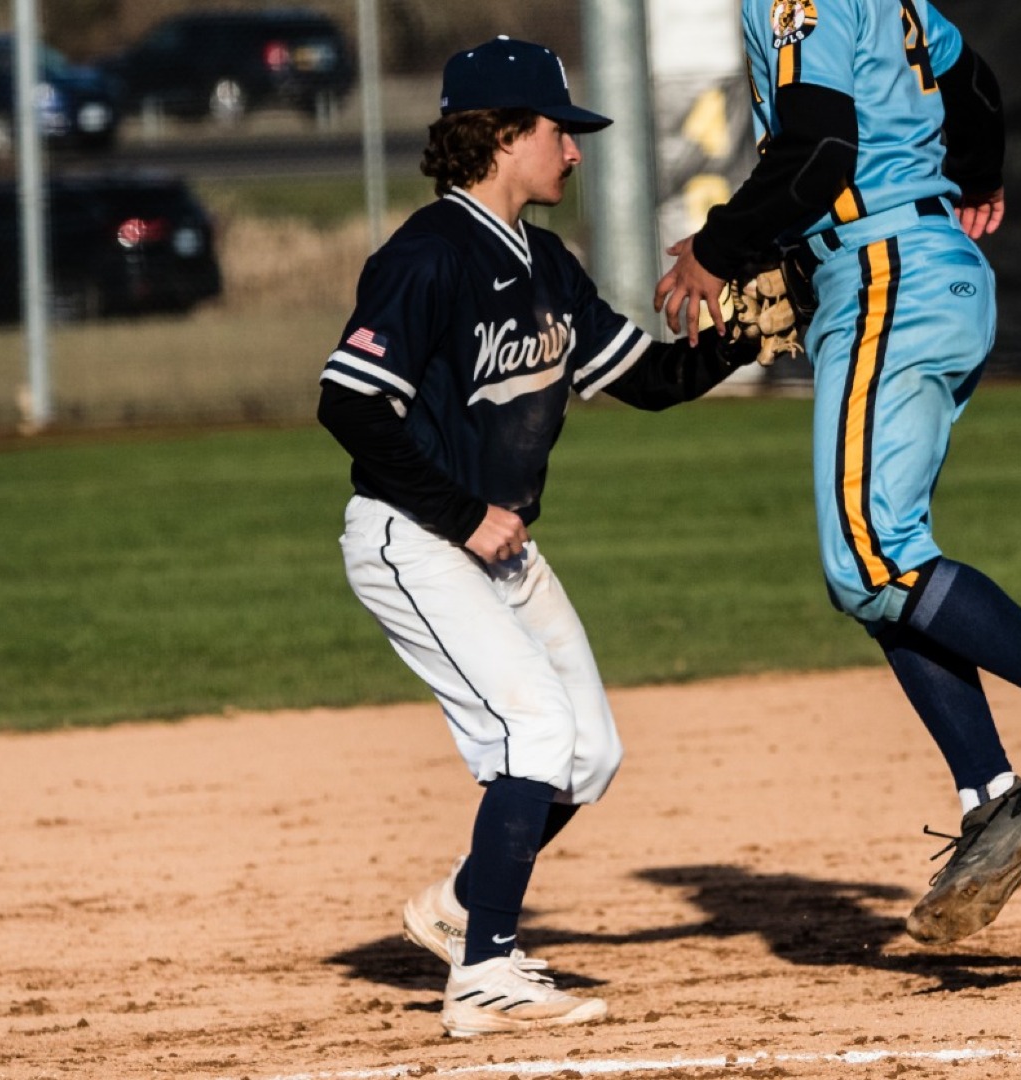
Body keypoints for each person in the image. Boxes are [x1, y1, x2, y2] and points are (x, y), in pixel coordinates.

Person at [653, 0, 1021, 946]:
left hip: (887, 273)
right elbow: (970, 78)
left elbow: (815, 153)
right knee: (884, 566)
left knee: (870, 559)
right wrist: (974, 176)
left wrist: (720, 249)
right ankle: (994, 797)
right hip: (928, 269)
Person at [318, 37, 763, 1036]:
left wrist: (738, 340)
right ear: (505, 135)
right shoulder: (425, 258)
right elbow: (348, 407)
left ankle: (459, 909)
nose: (574, 152)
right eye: (560, 132)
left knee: (588, 752)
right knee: (536, 730)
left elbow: (643, 380)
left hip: (495, 548)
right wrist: (460, 512)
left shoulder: (546, 264)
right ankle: (485, 973)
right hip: (413, 536)